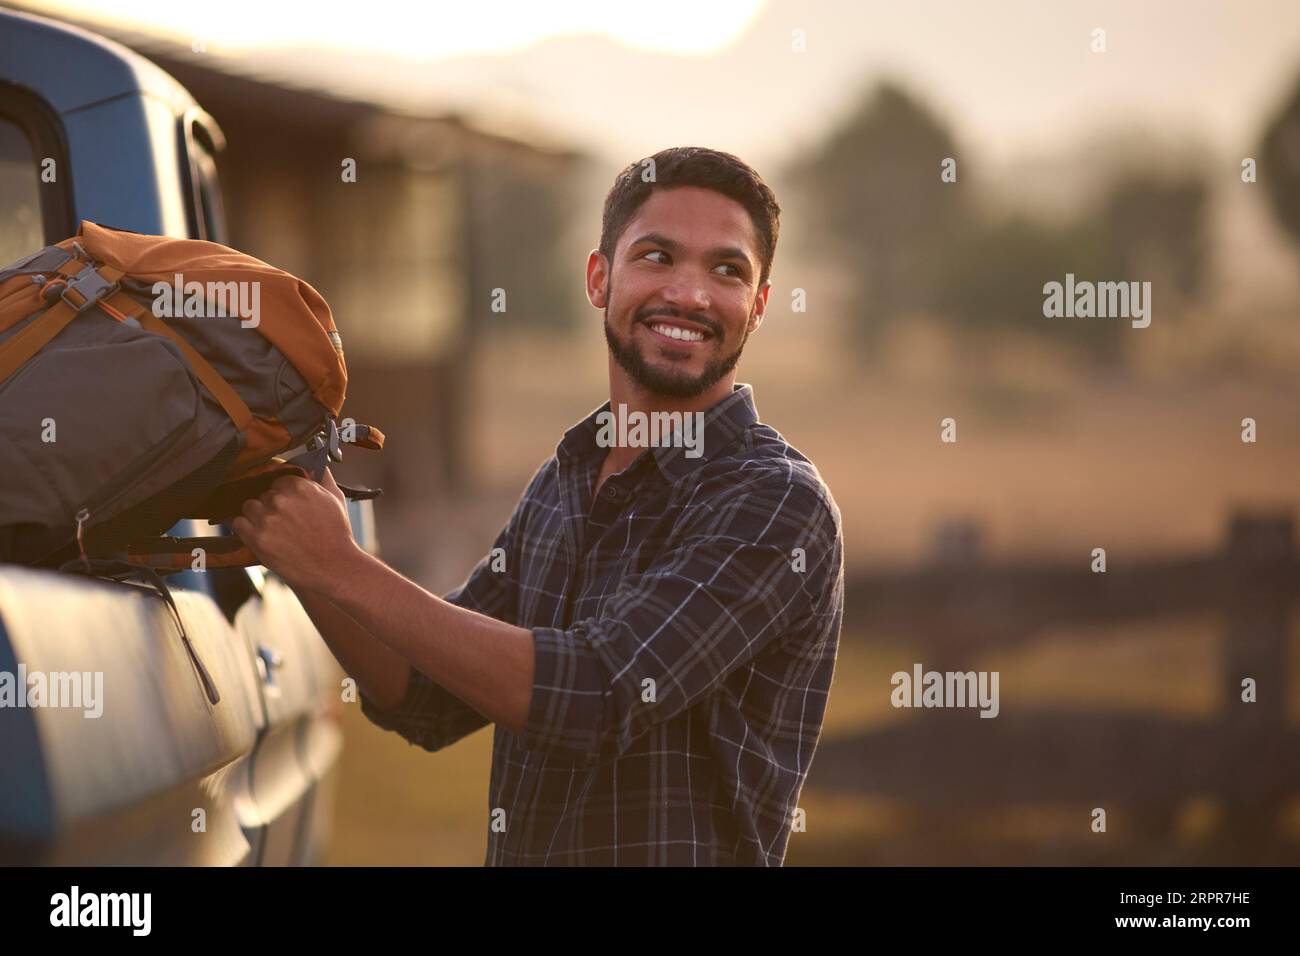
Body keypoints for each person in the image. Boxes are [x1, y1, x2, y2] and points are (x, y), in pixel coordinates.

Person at [234, 146, 844, 866]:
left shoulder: (776, 502)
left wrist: (342, 565)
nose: (691, 294)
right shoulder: (568, 477)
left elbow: (597, 692)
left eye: (727, 270)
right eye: (657, 256)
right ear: (599, 277)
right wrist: (302, 547)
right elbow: (422, 695)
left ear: (760, 306)